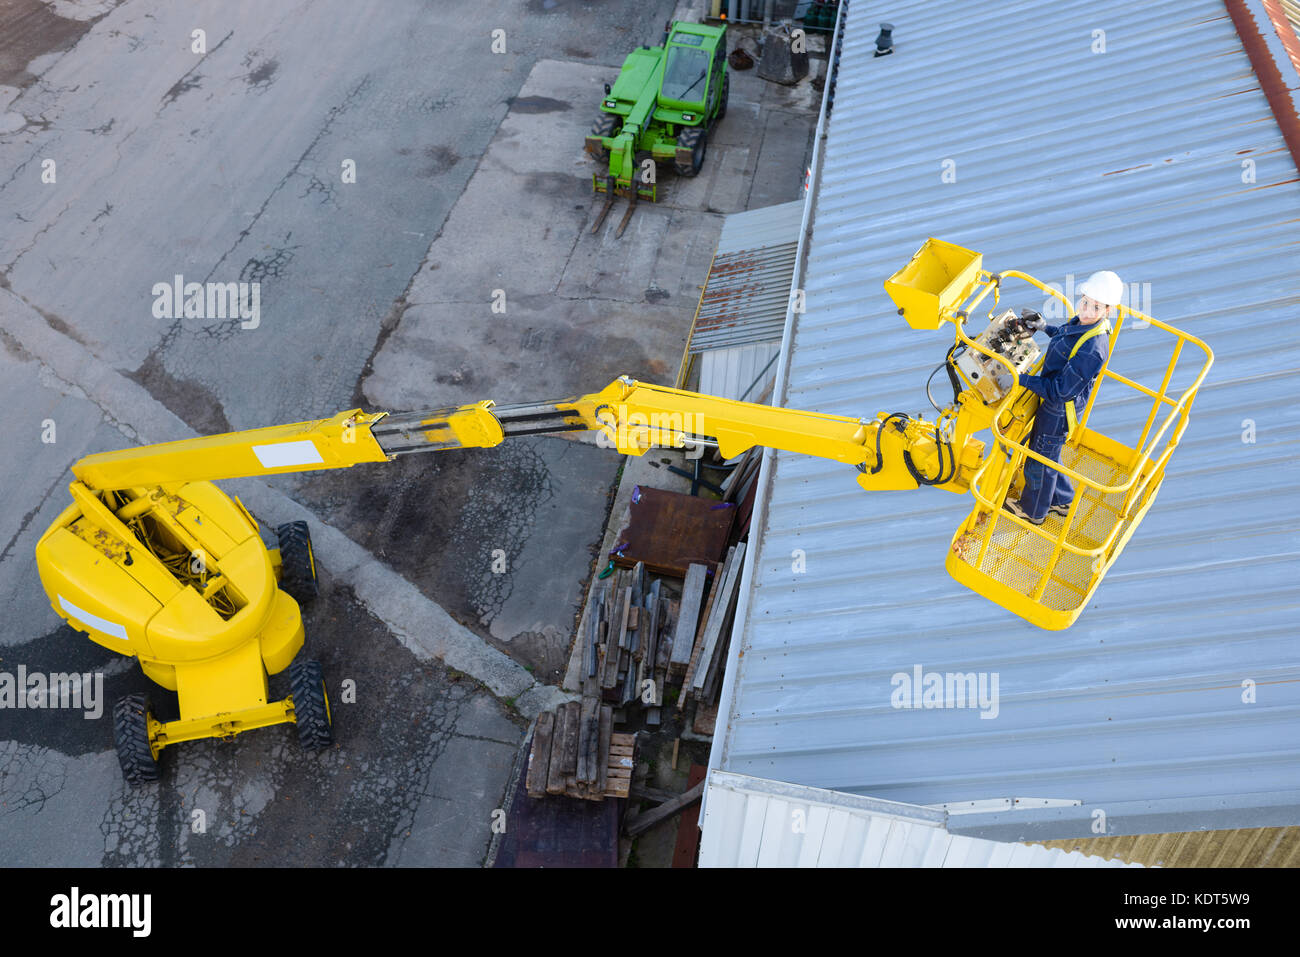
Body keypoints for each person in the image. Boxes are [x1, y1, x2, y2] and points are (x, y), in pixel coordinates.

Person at [1002, 270, 1124, 526]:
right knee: (1051, 452)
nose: (1087, 309)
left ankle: (1033, 511)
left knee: (1040, 457)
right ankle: (1062, 499)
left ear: (1108, 310)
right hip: (1060, 403)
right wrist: (1045, 327)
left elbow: (1059, 390)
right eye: (1085, 301)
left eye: (1095, 306)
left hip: (1059, 410)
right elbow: (1066, 337)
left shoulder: (1094, 349)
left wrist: (1019, 378)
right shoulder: (1084, 323)